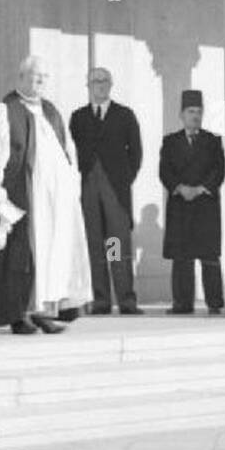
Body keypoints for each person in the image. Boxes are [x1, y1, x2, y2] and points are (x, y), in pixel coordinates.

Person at [0, 55, 91, 334]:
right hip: (21, 199)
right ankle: (18, 313)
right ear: (20, 78)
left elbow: (70, 154)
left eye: (44, 76)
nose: (41, 81)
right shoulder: (5, 110)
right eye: (35, 76)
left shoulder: (52, 112)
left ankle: (44, 308)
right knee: (23, 258)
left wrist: (72, 188)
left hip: (53, 201)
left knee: (50, 255)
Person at [68, 67, 143, 315]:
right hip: (88, 187)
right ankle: (100, 300)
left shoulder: (124, 115)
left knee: (116, 244)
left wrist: (123, 180)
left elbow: (136, 153)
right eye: (94, 81)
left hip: (115, 191)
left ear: (111, 85)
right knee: (94, 243)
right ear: (87, 86)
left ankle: (125, 300)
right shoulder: (77, 117)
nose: (99, 85)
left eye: (104, 81)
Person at [159, 90, 225, 315]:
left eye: (199, 112)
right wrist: (180, 188)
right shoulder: (170, 142)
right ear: (181, 114)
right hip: (180, 204)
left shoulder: (213, 141)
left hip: (205, 204)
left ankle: (214, 303)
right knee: (182, 257)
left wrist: (199, 189)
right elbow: (164, 171)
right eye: (191, 112)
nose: (195, 116)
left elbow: (219, 170)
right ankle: (182, 303)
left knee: (209, 257)